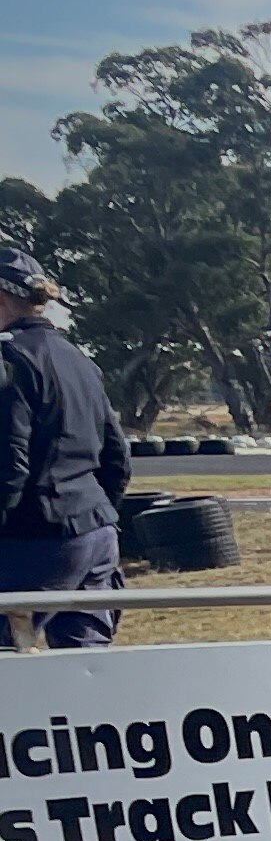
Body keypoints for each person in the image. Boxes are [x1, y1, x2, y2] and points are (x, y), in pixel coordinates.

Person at [0, 249, 128, 651]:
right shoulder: (80, 360)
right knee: (84, 673)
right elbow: (116, 458)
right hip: (96, 536)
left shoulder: (9, 358)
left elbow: (10, 464)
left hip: (36, 538)